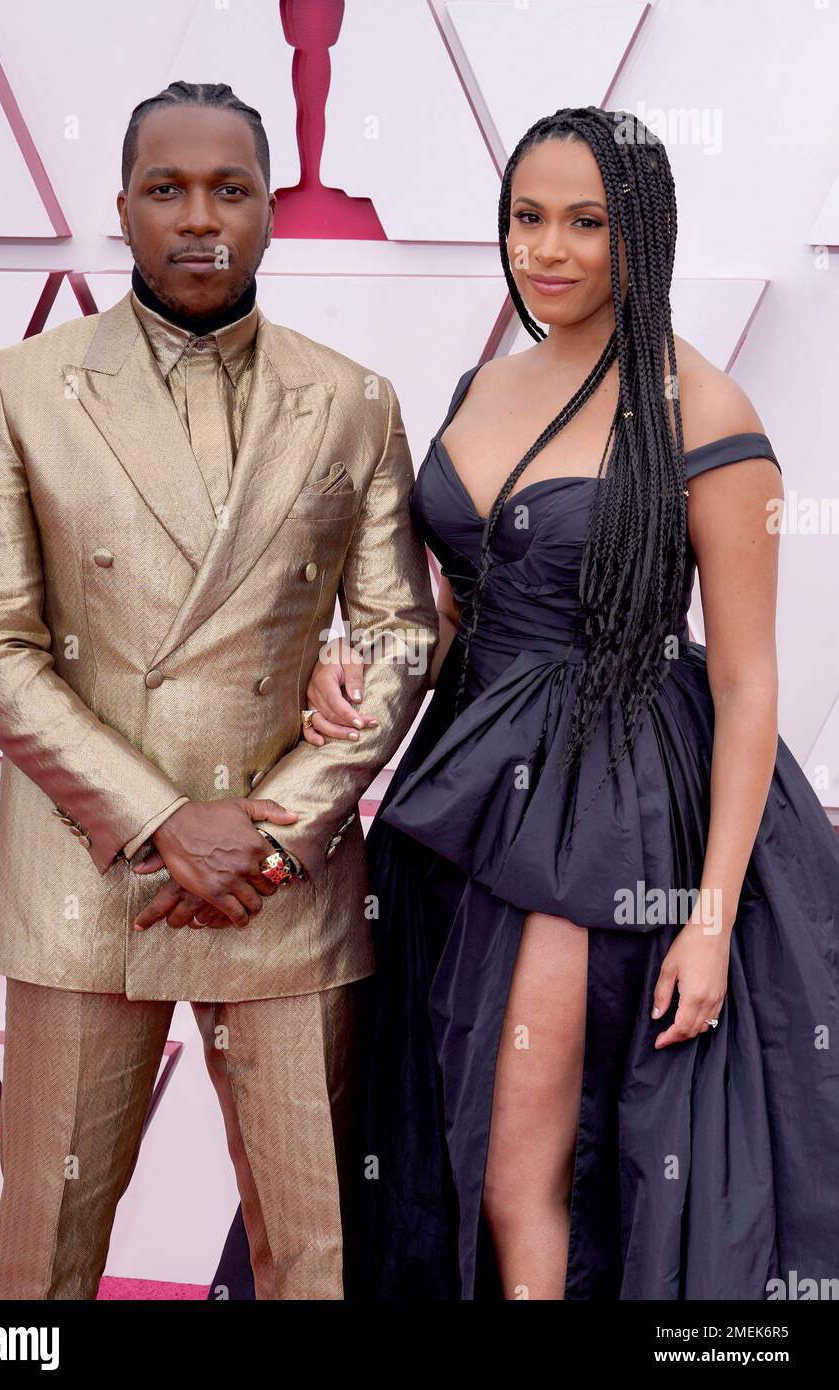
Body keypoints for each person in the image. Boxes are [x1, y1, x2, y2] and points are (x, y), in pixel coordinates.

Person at [212, 104, 839, 1300]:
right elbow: (456, 603)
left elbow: (751, 680)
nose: (545, 249)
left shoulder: (706, 415)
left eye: (584, 223)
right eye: (525, 218)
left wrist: (706, 919)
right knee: (429, 1136)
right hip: (455, 785)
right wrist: (352, 655)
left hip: (598, 811)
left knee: (518, 1172)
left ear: (641, 233)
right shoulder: (480, 381)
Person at [0, 80, 437, 1301]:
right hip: (89, 877)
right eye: (168, 189)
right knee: (42, 1248)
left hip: (282, 881)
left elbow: (399, 631)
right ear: (122, 209)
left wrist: (269, 829)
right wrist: (166, 822)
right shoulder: (19, 385)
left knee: (315, 1253)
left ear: (272, 210)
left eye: (231, 189)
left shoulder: (354, 399)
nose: (199, 217)